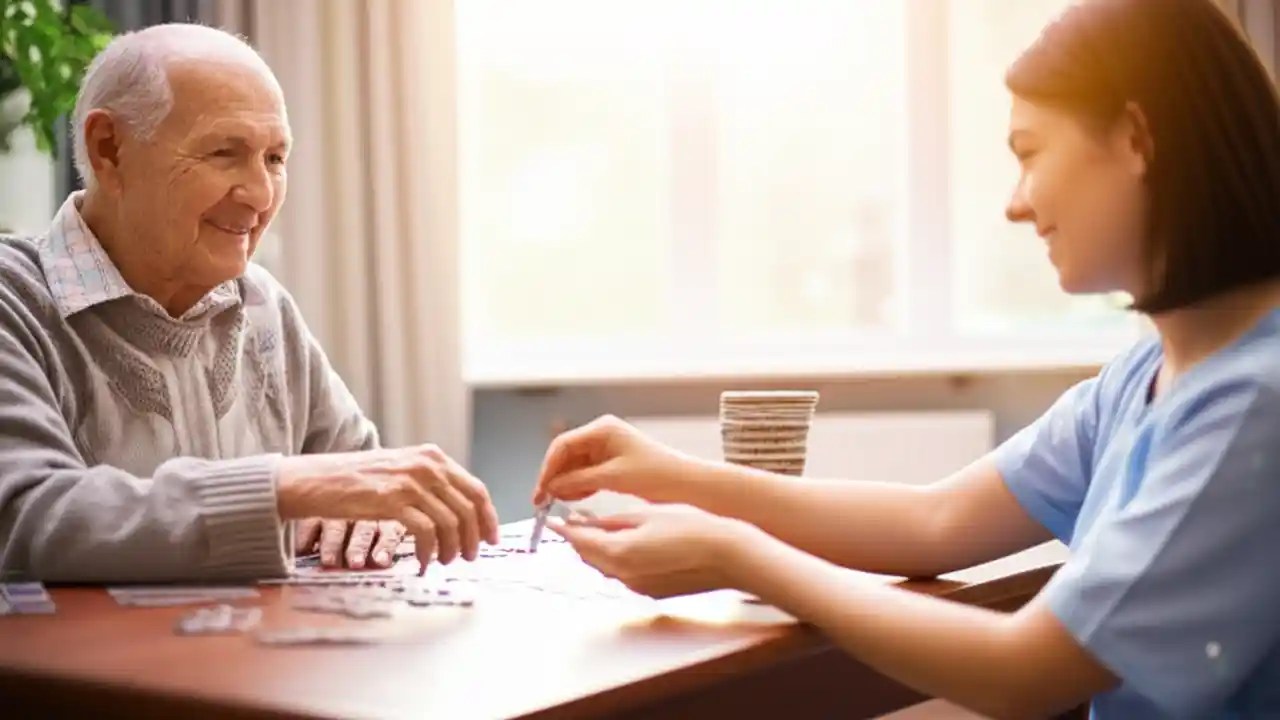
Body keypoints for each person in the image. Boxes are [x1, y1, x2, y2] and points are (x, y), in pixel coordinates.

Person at [533, 1, 1280, 717]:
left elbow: (1024, 674)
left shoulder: (1254, 408)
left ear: (1135, 141)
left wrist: (738, 556)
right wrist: (673, 477)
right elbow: (935, 519)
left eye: (1029, 153)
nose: (1016, 204)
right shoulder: (1139, 381)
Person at [0, 24, 499, 582]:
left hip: (259, 666)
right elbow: (25, 518)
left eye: (276, 159)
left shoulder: (263, 305)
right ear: (109, 149)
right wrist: (286, 487)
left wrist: (372, 517)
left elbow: (365, 478)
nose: (260, 196)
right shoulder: (13, 300)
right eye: (224, 153)